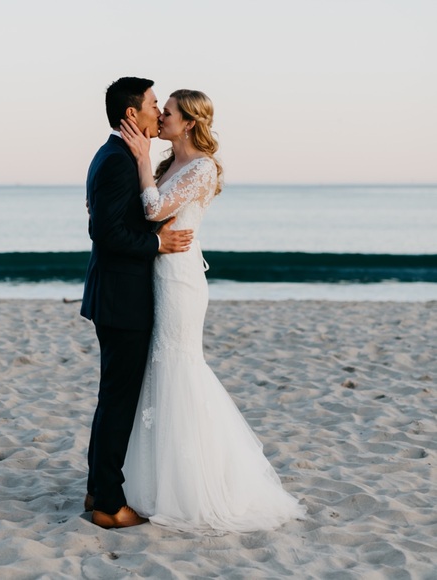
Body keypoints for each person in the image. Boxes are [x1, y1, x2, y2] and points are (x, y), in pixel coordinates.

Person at [119, 89, 307, 533]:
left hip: (179, 279)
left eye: (168, 112)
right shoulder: (170, 165)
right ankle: (156, 478)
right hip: (156, 273)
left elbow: (155, 208)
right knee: (158, 368)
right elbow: (144, 214)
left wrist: (141, 159)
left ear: (188, 123)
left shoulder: (201, 167)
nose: (160, 117)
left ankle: (194, 484)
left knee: (178, 364)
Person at [80, 77, 194, 529]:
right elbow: (105, 233)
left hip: (117, 294)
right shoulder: (117, 160)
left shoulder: (119, 155)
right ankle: (109, 504)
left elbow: (115, 218)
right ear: (132, 113)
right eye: (152, 103)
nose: (157, 111)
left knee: (113, 397)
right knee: (118, 401)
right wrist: (157, 244)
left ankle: (98, 490)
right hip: (121, 297)